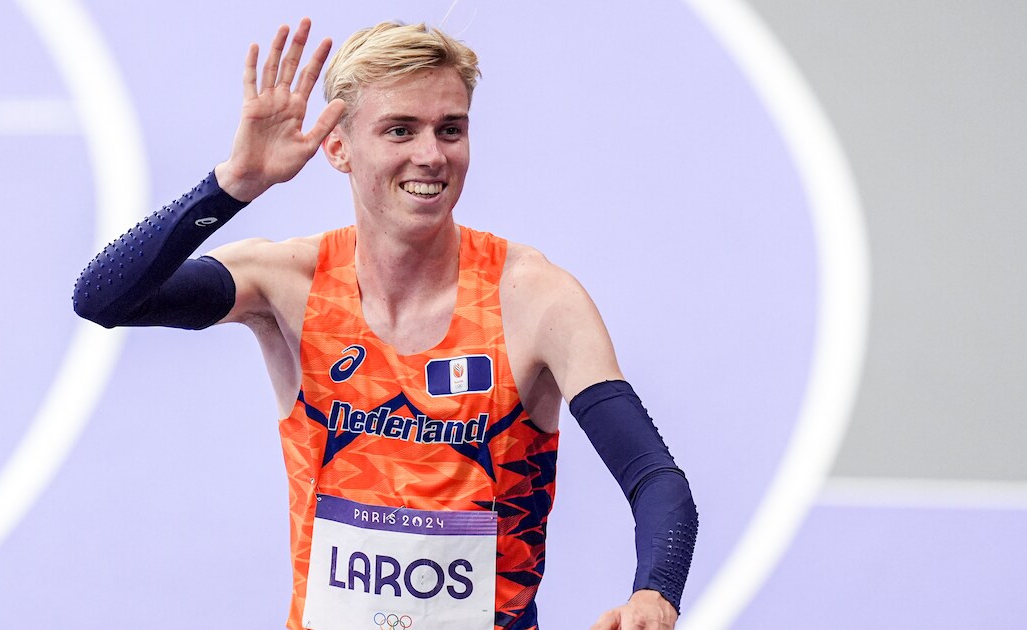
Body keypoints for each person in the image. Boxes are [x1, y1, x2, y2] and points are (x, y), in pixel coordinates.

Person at [73, 18, 696, 630]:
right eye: (400, 130)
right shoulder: (289, 283)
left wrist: (654, 595)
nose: (431, 156)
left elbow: (655, 478)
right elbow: (103, 297)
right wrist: (233, 185)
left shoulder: (534, 300)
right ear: (338, 147)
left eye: (450, 130)